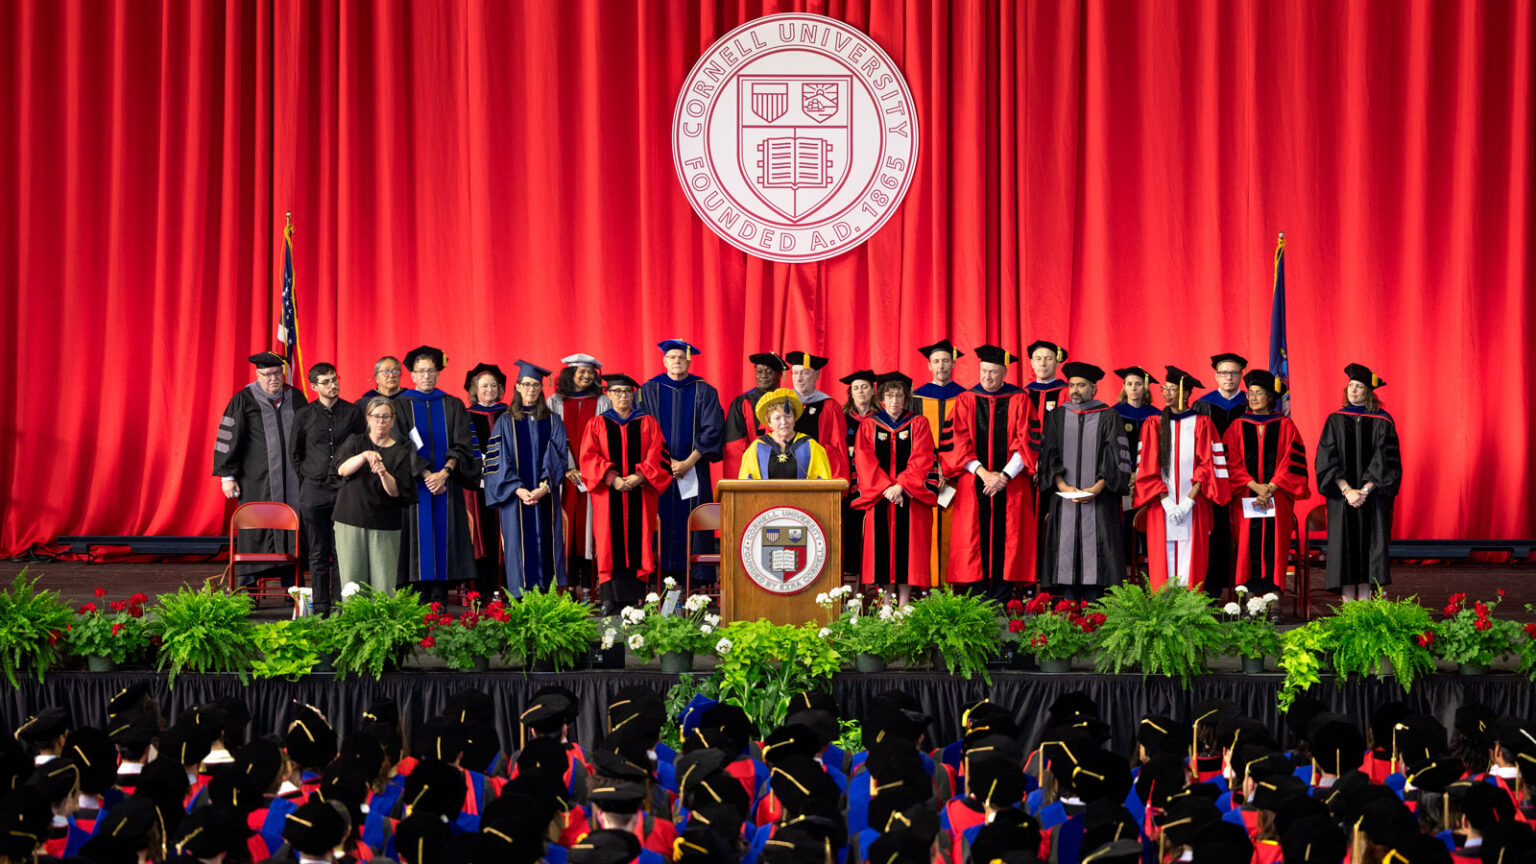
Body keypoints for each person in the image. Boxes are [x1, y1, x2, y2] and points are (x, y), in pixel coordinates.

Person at [940, 345, 1036, 600]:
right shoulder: (966, 399)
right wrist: (984, 473)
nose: (987, 377)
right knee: (973, 541)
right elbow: (956, 442)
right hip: (975, 484)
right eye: (984, 371)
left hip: (1011, 485)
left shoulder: (1020, 399)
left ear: (1004, 372)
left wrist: (1003, 476)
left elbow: (1027, 440)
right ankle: (978, 599)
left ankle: (1006, 600)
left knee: (1010, 540)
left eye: (993, 372)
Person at [213, 351, 309, 588]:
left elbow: (309, 435)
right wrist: (227, 476)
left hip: (294, 481)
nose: (273, 379)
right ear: (258, 375)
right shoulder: (244, 399)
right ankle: (248, 585)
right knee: (255, 529)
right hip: (257, 481)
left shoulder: (295, 397)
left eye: (277, 373)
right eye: (266, 374)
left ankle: (292, 584)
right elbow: (228, 437)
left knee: (295, 528)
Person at [1036, 362, 1131, 602]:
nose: (1075, 390)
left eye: (1081, 385)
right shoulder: (1057, 416)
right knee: (1065, 560)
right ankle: (1067, 607)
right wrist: (1063, 486)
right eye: (1071, 385)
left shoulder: (1109, 416)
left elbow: (1115, 459)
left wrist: (1096, 489)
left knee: (1097, 560)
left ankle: (1095, 608)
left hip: (1098, 501)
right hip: (1064, 500)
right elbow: (1048, 455)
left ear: (1094, 389)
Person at [582, 374, 673, 614]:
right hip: (608, 495)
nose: (623, 396)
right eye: (618, 391)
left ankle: (635, 599)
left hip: (639, 493)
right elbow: (588, 458)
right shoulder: (597, 424)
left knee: (638, 541)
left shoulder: (647, 422)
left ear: (633, 395)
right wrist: (613, 479)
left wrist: (640, 476)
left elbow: (659, 455)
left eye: (627, 392)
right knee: (607, 544)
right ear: (608, 394)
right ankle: (610, 599)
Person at [394, 346, 477, 602]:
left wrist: (445, 473)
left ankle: (440, 600)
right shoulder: (400, 405)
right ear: (412, 375)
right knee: (416, 541)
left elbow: (463, 443)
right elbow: (399, 445)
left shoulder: (452, 404)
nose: (427, 375)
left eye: (431, 370)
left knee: (445, 539)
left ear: (439, 374)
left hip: (447, 484)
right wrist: (427, 474)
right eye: (421, 371)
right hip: (415, 487)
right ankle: (418, 600)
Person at [1134, 367, 1228, 590]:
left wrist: (1188, 501)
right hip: (1161, 506)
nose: (1166, 393)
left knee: (1193, 556)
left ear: (1186, 394)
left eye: (1172, 389)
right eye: (1164, 388)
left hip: (1194, 506)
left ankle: (1190, 608)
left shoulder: (1203, 423)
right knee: (1161, 557)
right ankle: (1164, 608)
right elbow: (1147, 465)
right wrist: (1166, 501)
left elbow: (1208, 465)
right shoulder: (1153, 424)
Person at [639, 340, 723, 587]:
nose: (677, 361)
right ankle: (656, 579)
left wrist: (688, 461)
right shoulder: (648, 390)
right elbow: (642, 430)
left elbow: (713, 428)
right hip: (657, 471)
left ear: (689, 361)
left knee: (694, 519)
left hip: (694, 469)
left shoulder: (704, 390)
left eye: (681, 358)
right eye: (672, 357)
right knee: (657, 519)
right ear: (664, 361)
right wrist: (667, 462)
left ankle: (695, 581)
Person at [1315, 364, 1401, 601]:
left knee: (1370, 546)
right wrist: (1347, 490)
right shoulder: (1335, 420)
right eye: (1351, 386)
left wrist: (1363, 490)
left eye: (1359, 386)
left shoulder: (1383, 421)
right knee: (1344, 545)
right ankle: (1346, 602)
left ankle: (1364, 601)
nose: (1353, 390)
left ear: (1369, 392)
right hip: (1343, 497)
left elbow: (1386, 459)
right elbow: (1326, 458)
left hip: (1371, 498)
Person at [484, 361, 570, 596]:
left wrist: (544, 487)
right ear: (517, 387)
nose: (531, 389)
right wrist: (518, 489)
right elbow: (498, 460)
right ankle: (520, 599)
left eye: (535, 385)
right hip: (515, 499)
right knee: (517, 547)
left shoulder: (553, 421)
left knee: (547, 544)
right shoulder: (505, 421)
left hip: (545, 496)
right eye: (526, 384)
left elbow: (560, 457)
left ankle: (548, 594)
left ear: (541, 389)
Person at [1223, 370, 1310, 596]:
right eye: (1250, 393)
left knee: (1276, 546)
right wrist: (1254, 485)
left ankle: (1274, 598)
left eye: (1258, 393)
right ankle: (1248, 597)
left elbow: (1292, 459)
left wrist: (1271, 487)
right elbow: (1229, 460)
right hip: (1246, 494)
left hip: (1277, 497)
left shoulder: (1286, 425)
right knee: (1245, 546)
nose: (1252, 398)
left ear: (1270, 397)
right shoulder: (1236, 426)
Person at [852, 372, 937, 603]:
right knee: (884, 553)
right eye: (889, 396)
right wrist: (887, 488)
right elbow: (863, 459)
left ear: (906, 397)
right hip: (880, 498)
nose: (894, 401)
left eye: (899, 395)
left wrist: (902, 486)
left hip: (910, 498)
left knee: (909, 553)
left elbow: (923, 458)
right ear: (881, 398)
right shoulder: (870, 425)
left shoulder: (919, 423)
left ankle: (904, 602)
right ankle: (887, 601)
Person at [289, 362, 365, 615]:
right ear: (314, 387)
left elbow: (361, 446)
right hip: (314, 489)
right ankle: (320, 607)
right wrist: (310, 477)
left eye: (335, 379)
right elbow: (295, 453)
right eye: (326, 381)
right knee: (318, 551)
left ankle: (341, 605)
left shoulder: (353, 412)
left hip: (345, 488)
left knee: (342, 551)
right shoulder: (304, 415)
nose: (333, 385)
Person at [333, 397, 420, 594]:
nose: (381, 421)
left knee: (383, 583)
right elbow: (341, 470)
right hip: (350, 519)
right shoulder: (356, 441)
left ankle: (381, 624)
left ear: (393, 419)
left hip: (385, 524)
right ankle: (353, 624)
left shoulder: (401, 450)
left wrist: (383, 472)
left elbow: (396, 491)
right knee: (352, 583)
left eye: (385, 417)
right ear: (368, 418)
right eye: (376, 416)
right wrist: (363, 456)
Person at [549, 353, 610, 594]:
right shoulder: (554, 401)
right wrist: (568, 466)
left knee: (590, 528)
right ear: (569, 374)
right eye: (580, 372)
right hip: (565, 476)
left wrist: (590, 467)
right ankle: (568, 582)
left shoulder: (603, 402)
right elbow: (551, 438)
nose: (585, 376)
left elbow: (606, 438)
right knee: (568, 526)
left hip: (593, 475)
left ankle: (588, 584)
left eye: (589, 372)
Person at [911, 339, 966, 586]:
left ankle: (955, 584)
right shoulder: (916, 398)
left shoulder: (966, 397)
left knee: (958, 532)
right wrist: (933, 468)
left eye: (945, 361)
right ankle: (926, 585)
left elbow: (966, 437)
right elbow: (915, 440)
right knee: (927, 530)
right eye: (936, 361)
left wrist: (948, 467)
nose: (941, 366)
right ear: (929, 366)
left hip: (958, 475)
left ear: (953, 364)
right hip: (925, 476)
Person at [1196, 352, 1249, 593]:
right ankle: (1212, 591)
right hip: (1212, 481)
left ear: (1241, 375)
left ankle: (1241, 590)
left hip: (1245, 481)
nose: (1229, 377)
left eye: (1234, 373)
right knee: (1214, 532)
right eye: (1224, 373)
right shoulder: (1203, 405)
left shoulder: (1251, 403)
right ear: (1216, 376)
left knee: (1243, 534)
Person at [1023, 340, 1070, 584]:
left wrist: (1046, 466)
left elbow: (1064, 435)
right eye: (1038, 358)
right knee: (1025, 525)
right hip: (1024, 471)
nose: (1042, 363)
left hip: (1055, 472)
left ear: (1057, 361)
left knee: (1053, 525)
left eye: (1048, 358)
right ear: (1031, 363)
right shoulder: (1022, 393)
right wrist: (1030, 465)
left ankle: (1052, 580)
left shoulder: (1064, 393)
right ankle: (1026, 579)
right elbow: (1018, 434)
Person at [462, 363, 509, 598]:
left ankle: (507, 586)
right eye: (484, 386)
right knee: (481, 533)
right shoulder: (466, 415)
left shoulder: (509, 413)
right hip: (477, 484)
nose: (489, 389)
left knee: (505, 531)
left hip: (506, 482)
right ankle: (481, 586)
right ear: (475, 390)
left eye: (493, 385)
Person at [1113, 366, 1160, 573]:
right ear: (1123, 386)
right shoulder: (1113, 414)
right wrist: (1127, 474)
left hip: (1148, 478)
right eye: (1130, 384)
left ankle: (1148, 570)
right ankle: (1123, 571)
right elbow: (1110, 448)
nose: (1134, 388)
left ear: (1145, 387)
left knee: (1147, 525)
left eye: (1138, 384)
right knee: (1123, 524)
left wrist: (1141, 474)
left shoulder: (1156, 415)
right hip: (1123, 480)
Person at [722, 353, 790, 482]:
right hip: (752, 469)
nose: (763, 376)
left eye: (769, 372)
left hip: (784, 468)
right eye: (759, 371)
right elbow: (735, 445)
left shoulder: (789, 401)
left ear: (780, 374)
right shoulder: (742, 402)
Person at [737, 390, 834, 480]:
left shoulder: (810, 446)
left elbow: (823, 483)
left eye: (788, 416)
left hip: (803, 499)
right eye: (777, 418)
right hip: (765, 499)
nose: (783, 422)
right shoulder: (757, 448)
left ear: (795, 418)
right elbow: (746, 484)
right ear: (769, 423)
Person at [783, 351, 850, 481]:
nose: (799, 379)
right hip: (786, 469)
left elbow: (838, 447)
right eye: (795, 373)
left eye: (805, 372)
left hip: (819, 471)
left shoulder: (830, 406)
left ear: (816, 375)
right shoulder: (782, 402)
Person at [840, 369, 878, 584]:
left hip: (874, 482)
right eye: (856, 388)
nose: (860, 391)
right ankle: (852, 578)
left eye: (865, 387)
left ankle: (874, 579)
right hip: (851, 482)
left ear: (873, 391)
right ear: (850, 393)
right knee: (852, 530)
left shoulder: (882, 418)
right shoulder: (843, 417)